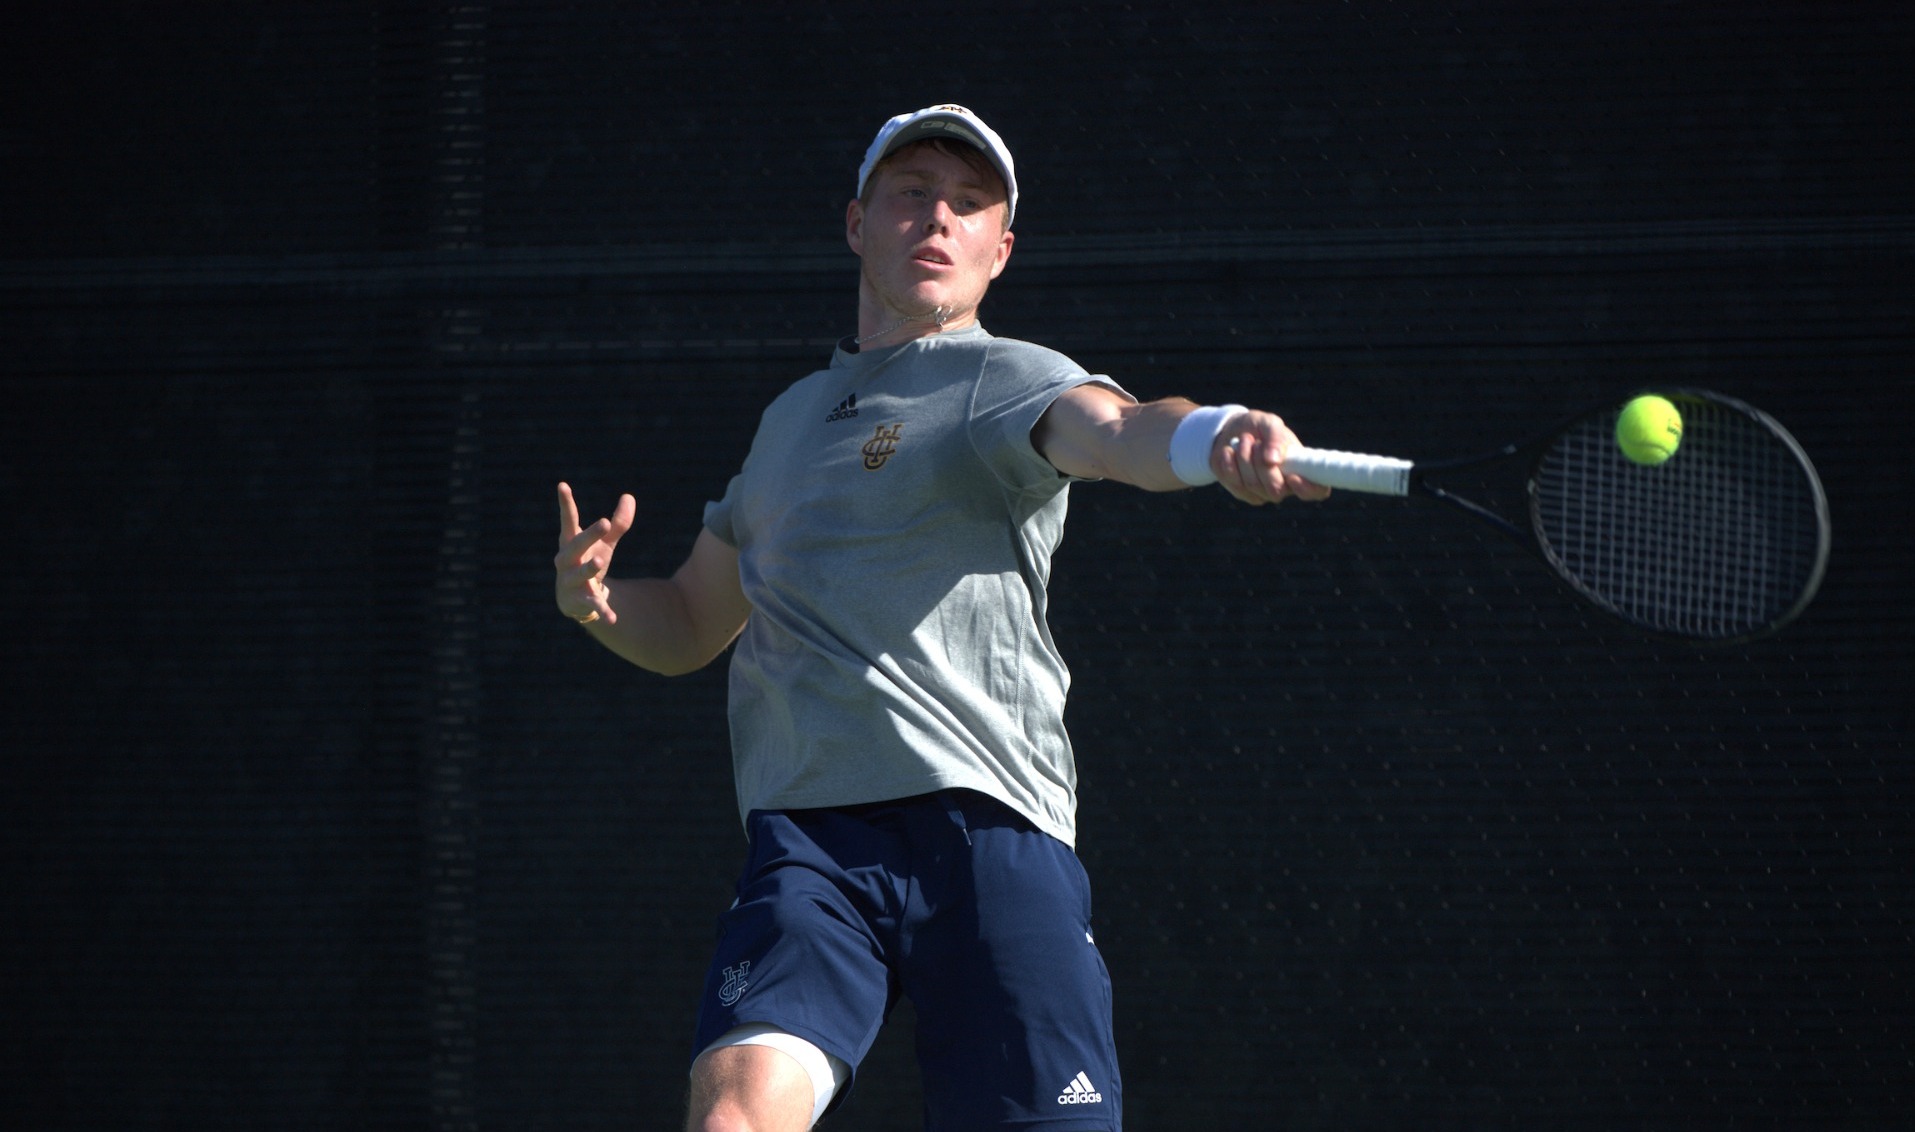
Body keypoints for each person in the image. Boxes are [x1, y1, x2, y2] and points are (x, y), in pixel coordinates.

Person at [553, 104, 1329, 1132]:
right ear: (856, 223)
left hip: (993, 834)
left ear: (998, 250)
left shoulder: (1007, 378)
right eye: (911, 192)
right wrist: (596, 603)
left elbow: (1126, 430)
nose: (939, 218)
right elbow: (694, 616)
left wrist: (1218, 435)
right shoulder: (786, 424)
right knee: (733, 1116)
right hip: (810, 848)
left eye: (969, 205)